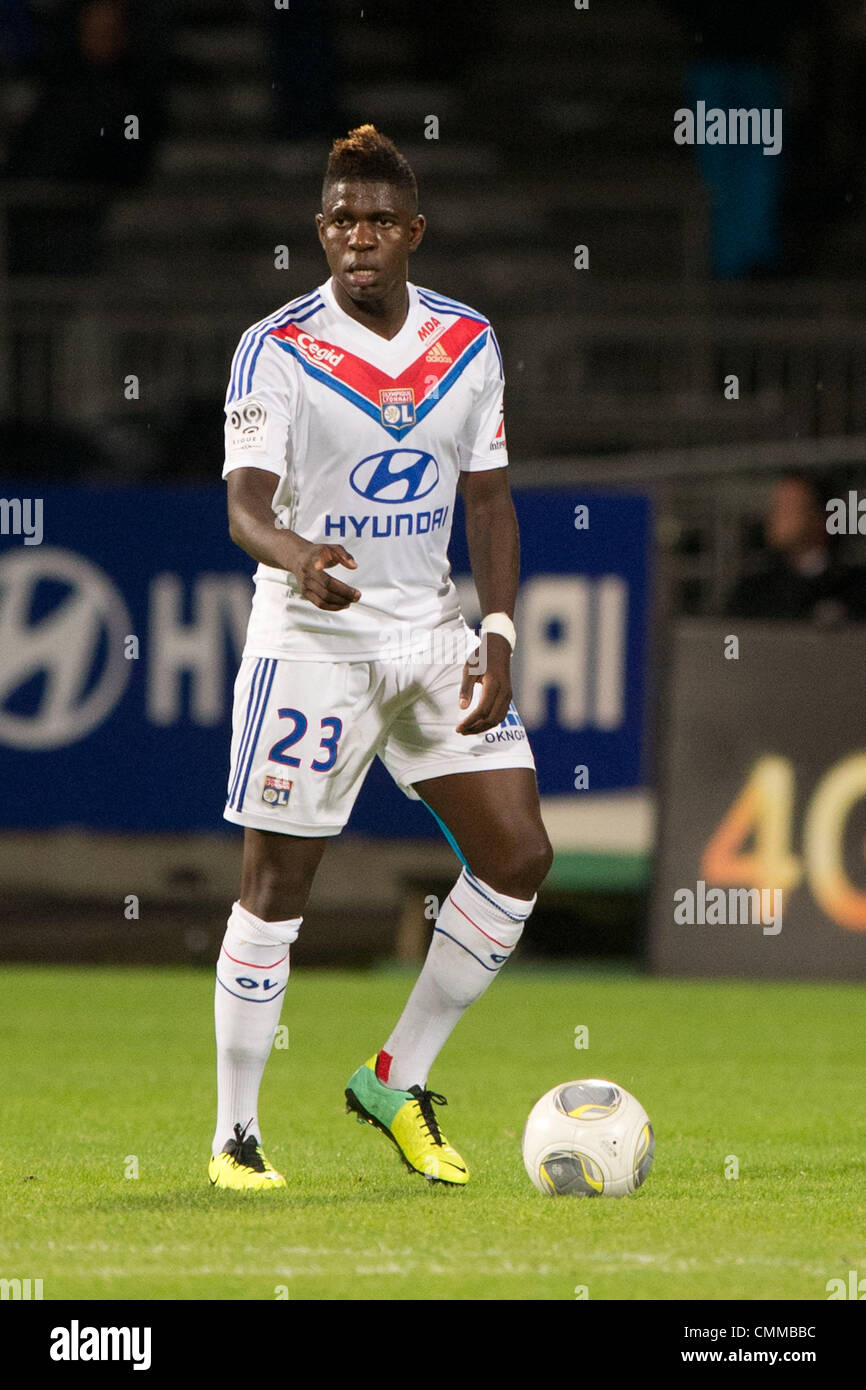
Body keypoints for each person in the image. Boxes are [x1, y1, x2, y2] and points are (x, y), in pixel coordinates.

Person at [210, 125, 553, 1190]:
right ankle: (234, 1135)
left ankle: (393, 1076)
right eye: (336, 221)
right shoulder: (275, 348)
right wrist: (297, 554)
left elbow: (488, 503)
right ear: (320, 233)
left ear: (412, 231)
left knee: (518, 855)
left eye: (374, 221)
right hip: (311, 637)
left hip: (429, 634)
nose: (354, 237)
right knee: (277, 887)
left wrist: (495, 630)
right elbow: (243, 506)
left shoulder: (468, 342)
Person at [724, 471, 866, 622]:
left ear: (822, 517)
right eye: (776, 507)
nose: (776, 517)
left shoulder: (857, 588)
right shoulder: (752, 592)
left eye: (789, 508)